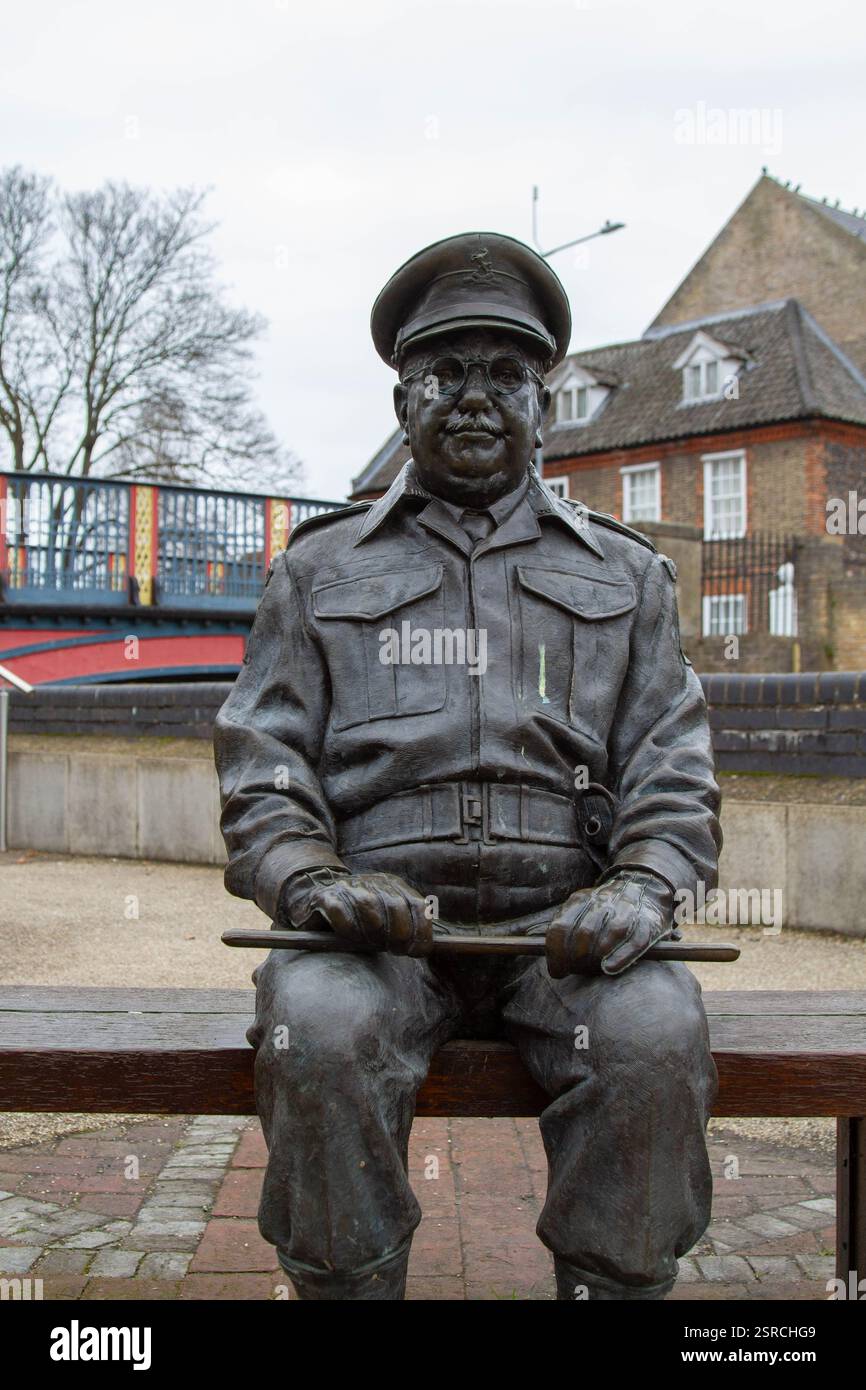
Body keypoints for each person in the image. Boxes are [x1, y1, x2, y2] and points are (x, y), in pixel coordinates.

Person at [213, 232, 722, 1301]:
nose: (474, 398)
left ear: (544, 403)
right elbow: (263, 762)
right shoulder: (317, 569)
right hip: (372, 936)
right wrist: (311, 880)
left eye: (506, 374)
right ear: (402, 404)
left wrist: (642, 885)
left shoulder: (626, 575)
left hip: (566, 932)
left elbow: (670, 767)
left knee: (653, 1037)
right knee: (321, 1032)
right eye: (442, 374)